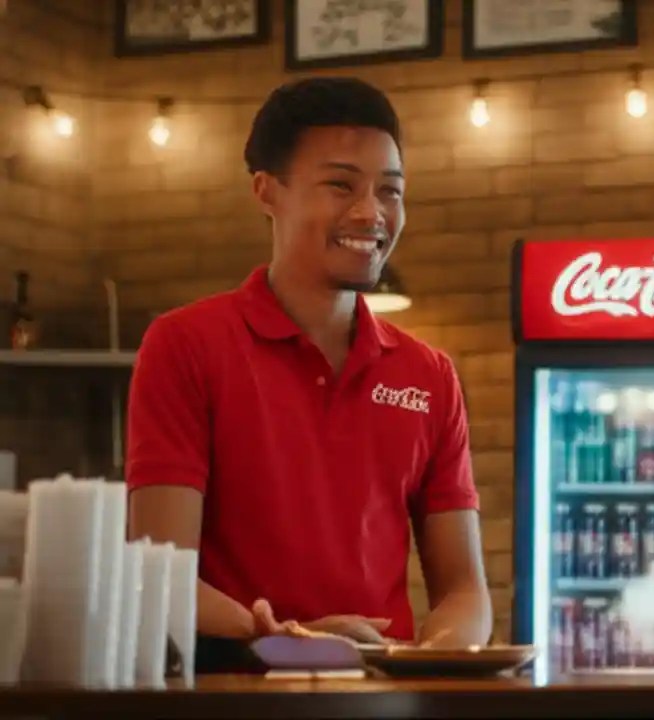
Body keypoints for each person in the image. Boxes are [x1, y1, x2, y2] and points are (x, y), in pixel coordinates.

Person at [125, 77, 492, 657]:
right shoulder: (184, 344)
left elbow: (466, 593)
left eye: (391, 191)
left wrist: (425, 655)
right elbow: (156, 573)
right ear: (267, 191)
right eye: (340, 185)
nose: (371, 212)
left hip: (380, 697)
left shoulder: (430, 375)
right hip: (229, 695)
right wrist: (288, 637)